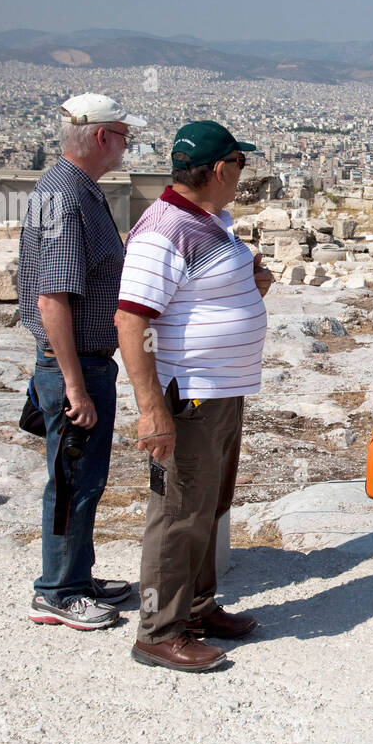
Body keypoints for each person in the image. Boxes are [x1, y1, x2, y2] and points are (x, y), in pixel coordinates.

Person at [115, 121, 273, 672]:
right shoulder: (164, 230)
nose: (242, 176)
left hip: (222, 390)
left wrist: (248, 285)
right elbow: (131, 320)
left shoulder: (206, 222)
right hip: (189, 398)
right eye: (240, 164)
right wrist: (152, 407)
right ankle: (159, 630)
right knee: (178, 512)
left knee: (209, 506)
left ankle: (199, 609)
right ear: (219, 168)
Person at [20, 92, 145, 630]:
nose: (127, 144)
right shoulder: (65, 198)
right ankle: (57, 591)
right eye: (124, 134)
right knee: (71, 479)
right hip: (77, 365)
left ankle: (77, 575)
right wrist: (73, 384)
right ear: (101, 137)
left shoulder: (75, 190)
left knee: (85, 477)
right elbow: (53, 297)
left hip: (87, 361)